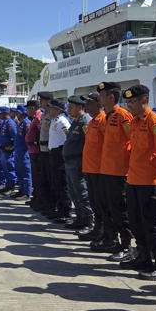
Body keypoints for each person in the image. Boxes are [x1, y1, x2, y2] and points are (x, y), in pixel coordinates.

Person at [118, 85, 156, 279]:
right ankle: (143, 257)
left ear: (143, 101)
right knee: (136, 221)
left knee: (153, 224)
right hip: (134, 179)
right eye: (128, 103)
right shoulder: (135, 122)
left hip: (150, 181)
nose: (129, 106)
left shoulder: (155, 122)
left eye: (132, 102)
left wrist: (153, 168)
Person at [94, 81, 134, 262]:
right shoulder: (107, 117)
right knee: (108, 207)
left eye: (102, 96)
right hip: (106, 170)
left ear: (110, 97)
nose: (100, 99)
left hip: (119, 171)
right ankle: (111, 239)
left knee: (120, 210)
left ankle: (126, 245)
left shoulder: (123, 116)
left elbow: (133, 141)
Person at [61, 95, 93, 230]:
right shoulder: (76, 121)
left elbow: (88, 143)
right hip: (70, 162)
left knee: (82, 193)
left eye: (71, 107)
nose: (69, 109)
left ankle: (88, 221)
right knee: (74, 193)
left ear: (80, 107)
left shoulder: (85, 121)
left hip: (78, 162)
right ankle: (80, 218)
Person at [79, 92, 106, 241]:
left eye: (89, 103)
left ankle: (103, 231)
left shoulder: (103, 120)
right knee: (95, 202)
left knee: (101, 203)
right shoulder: (93, 121)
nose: (86, 106)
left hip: (99, 169)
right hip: (90, 168)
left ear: (99, 104)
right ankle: (98, 228)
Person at [46, 98, 71, 222]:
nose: (49, 110)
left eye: (51, 108)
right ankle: (59, 209)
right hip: (54, 154)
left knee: (62, 184)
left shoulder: (62, 121)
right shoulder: (55, 120)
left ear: (57, 110)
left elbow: (69, 136)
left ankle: (65, 212)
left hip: (60, 155)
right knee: (56, 183)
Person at [36, 92, 54, 214]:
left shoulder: (53, 115)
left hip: (49, 151)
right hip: (42, 150)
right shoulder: (44, 114)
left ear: (48, 101)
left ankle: (52, 206)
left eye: (42, 100)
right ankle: (45, 203)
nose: (40, 102)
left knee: (51, 180)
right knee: (43, 178)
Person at [25, 100, 42, 209]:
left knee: (38, 178)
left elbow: (41, 133)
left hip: (36, 151)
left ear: (32, 108)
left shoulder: (39, 117)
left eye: (28, 108)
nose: (27, 111)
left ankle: (39, 199)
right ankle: (36, 198)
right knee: (36, 178)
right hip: (32, 150)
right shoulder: (34, 118)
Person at [0, 107, 17, 194]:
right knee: (5, 168)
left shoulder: (10, 123)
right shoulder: (4, 123)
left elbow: (15, 136)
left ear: (5, 113)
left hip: (8, 150)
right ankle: (7, 185)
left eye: (0, 113)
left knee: (10, 168)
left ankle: (11, 187)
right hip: (3, 149)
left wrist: (11, 147)